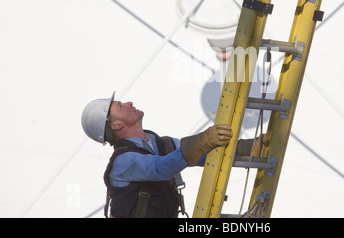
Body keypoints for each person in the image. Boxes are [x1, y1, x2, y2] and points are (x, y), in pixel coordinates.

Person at [81, 92, 266, 218]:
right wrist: (203, 140)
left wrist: (247, 149)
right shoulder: (123, 161)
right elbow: (162, 168)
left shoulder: (158, 142)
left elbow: (200, 155)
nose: (128, 103)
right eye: (121, 106)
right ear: (116, 125)